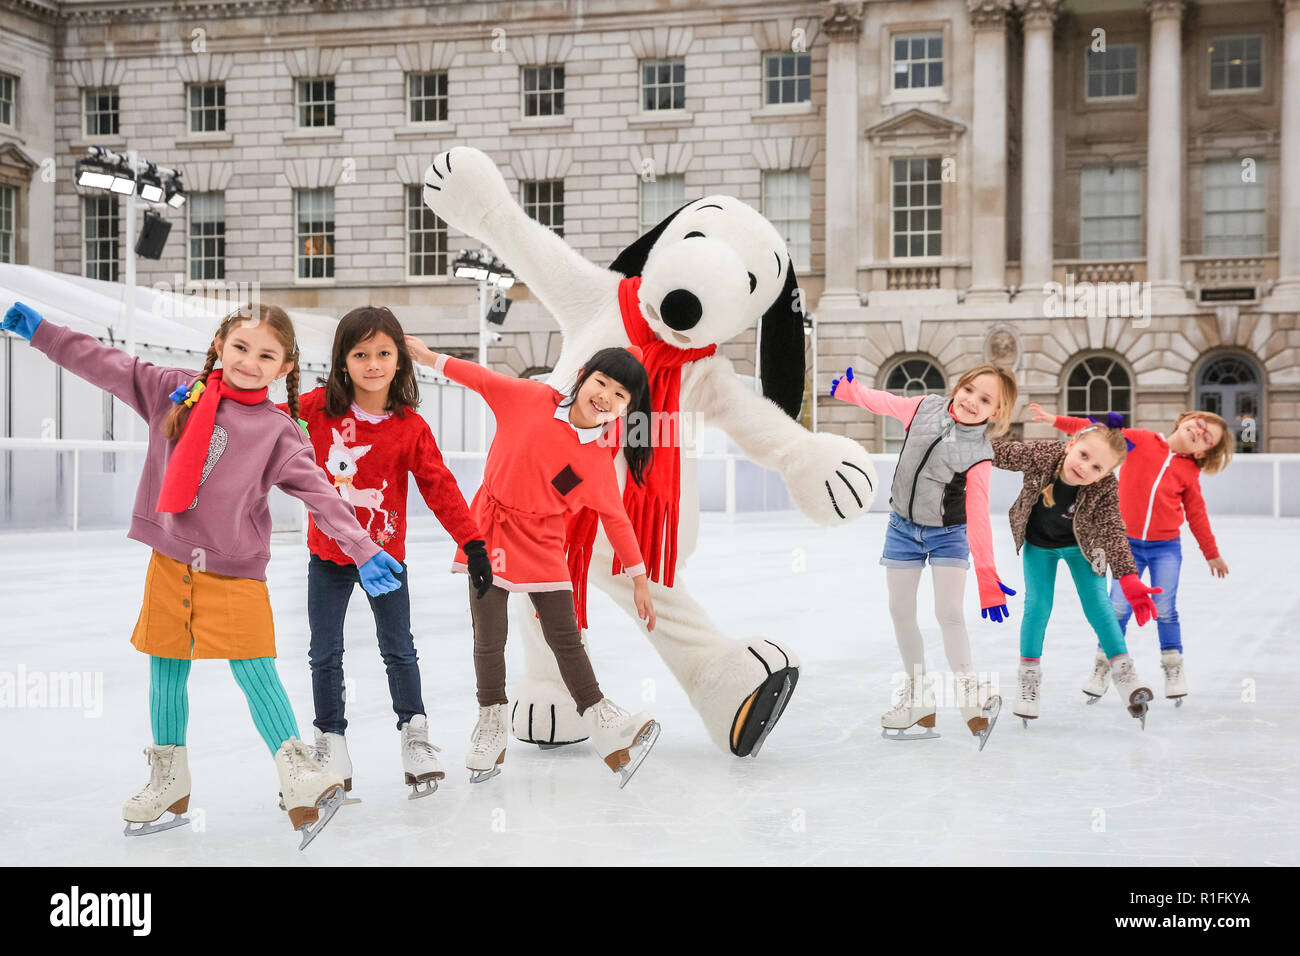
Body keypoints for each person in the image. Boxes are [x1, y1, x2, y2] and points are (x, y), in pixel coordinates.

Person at [3, 300, 404, 848]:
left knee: (254, 667)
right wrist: (45, 333)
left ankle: (298, 772)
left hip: (235, 571)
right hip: (170, 562)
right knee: (166, 664)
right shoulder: (174, 389)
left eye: (267, 355)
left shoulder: (279, 431)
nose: (250, 362)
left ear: (285, 367)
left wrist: (360, 547)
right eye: (241, 347)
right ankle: (169, 779)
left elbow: (319, 493)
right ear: (219, 344)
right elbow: (103, 362)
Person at [408, 338, 662, 787]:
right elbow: (481, 379)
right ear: (583, 375)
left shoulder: (597, 462)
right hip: (490, 529)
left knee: (564, 636)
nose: (606, 396)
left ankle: (602, 721)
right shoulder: (529, 398)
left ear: (626, 410)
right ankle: (491, 723)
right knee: (490, 634)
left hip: (544, 539)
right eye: (601, 382)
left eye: (620, 395)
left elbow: (617, 521)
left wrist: (640, 578)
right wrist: (431, 359)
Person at [282, 306, 491, 799]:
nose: (372, 363)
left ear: (399, 360)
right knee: (324, 652)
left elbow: (440, 487)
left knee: (399, 649)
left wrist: (473, 541)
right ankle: (331, 740)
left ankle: (414, 736)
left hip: (386, 559)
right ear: (342, 361)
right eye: (360, 354)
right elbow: (265, 432)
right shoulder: (314, 409)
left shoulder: (409, 427)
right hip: (329, 558)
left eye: (383, 353)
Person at [831, 364, 1018, 747]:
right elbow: (885, 402)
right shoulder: (925, 407)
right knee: (900, 612)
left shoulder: (979, 453)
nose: (971, 401)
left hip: (948, 535)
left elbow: (979, 515)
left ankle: (972, 697)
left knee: (948, 614)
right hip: (902, 528)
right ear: (959, 386)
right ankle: (918, 697)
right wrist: (852, 392)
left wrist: (986, 574)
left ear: (995, 412)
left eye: (985, 400)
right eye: (969, 389)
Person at [1032, 405, 1232, 706]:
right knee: (1117, 608)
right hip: (1126, 544)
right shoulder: (1142, 439)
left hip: (1166, 547)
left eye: (1206, 438)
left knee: (1165, 608)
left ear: (1203, 453)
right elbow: (1096, 432)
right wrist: (1056, 421)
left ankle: (1173, 668)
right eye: (1200, 423)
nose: (1198, 431)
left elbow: (1197, 514)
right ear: (1186, 419)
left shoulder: (1189, 472)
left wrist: (1211, 553)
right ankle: (1102, 668)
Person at [991, 423, 1162, 727]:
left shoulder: (1105, 486)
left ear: (1105, 473)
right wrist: (967, 445)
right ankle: (1028, 680)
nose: (1085, 467)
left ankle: (1125, 675)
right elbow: (1005, 452)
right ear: (1071, 445)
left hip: (1084, 546)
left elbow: (1111, 527)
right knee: (1037, 606)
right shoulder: (1044, 454)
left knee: (1098, 605)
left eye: (1096, 466)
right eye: (1083, 455)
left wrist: (1128, 576)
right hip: (1039, 544)